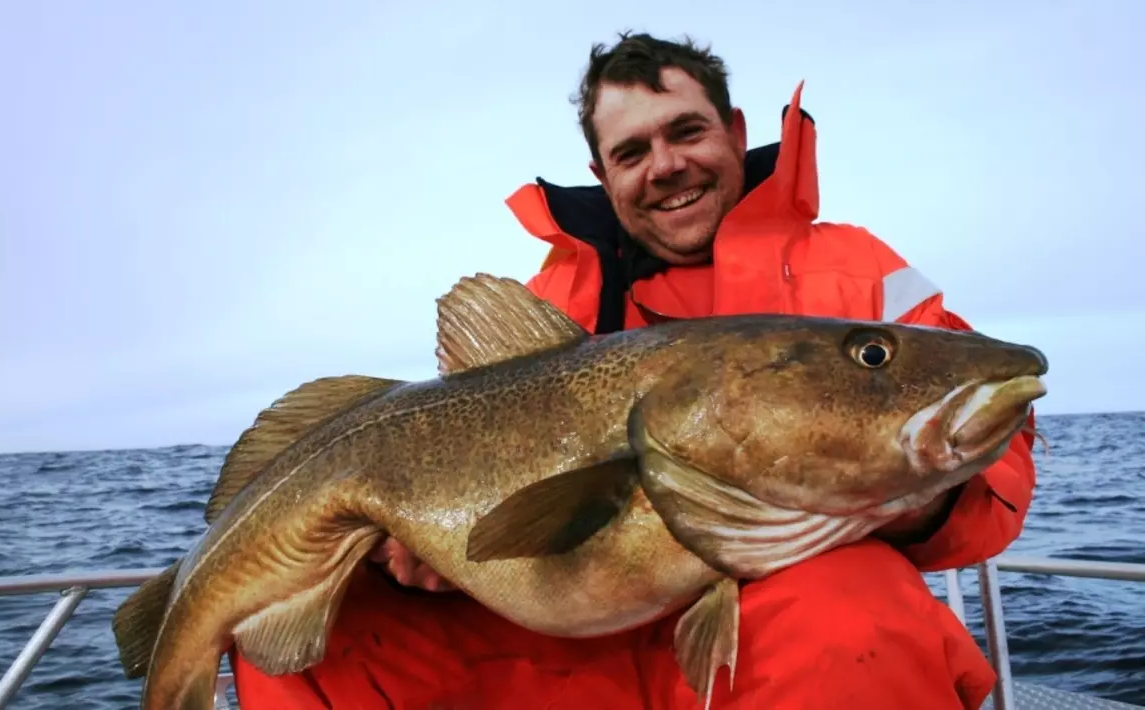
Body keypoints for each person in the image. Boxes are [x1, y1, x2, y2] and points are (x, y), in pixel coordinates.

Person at [228, 32, 1040, 710]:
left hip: (770, 621)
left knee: (857, 618)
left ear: (734, 128)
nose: (666, 165)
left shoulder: (859, 274)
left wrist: (895, 500)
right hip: (569, 640)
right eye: (631, 150)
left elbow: (997, 481)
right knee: (301, 643)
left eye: (686, 132)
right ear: (602, 174)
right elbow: (466, 482)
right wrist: (417, 555)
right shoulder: (549, 308)